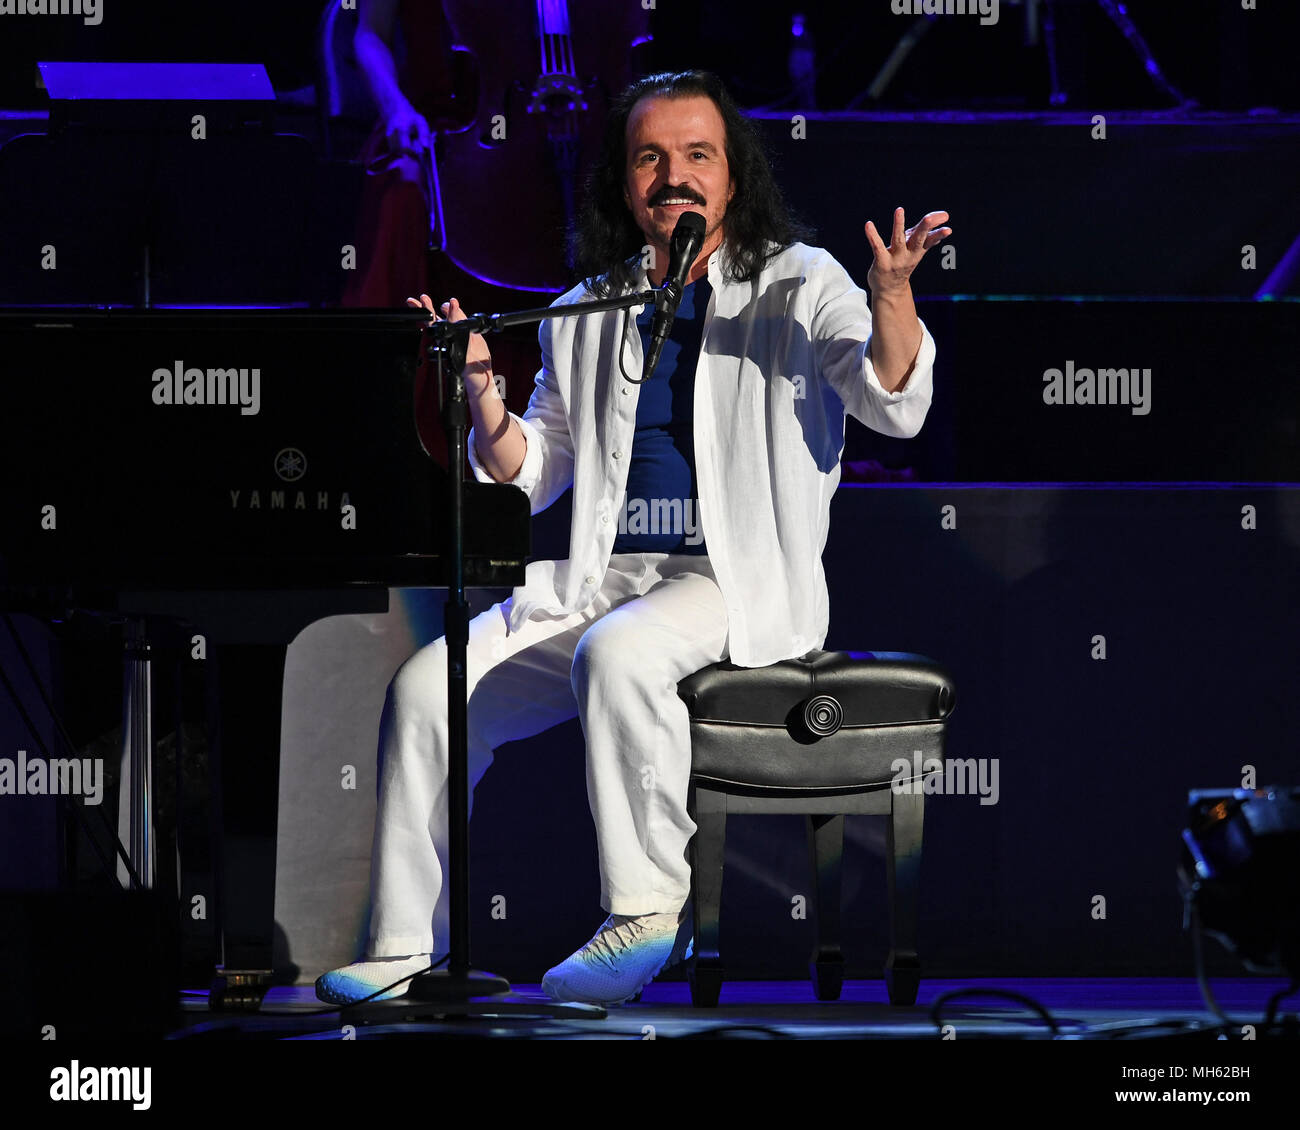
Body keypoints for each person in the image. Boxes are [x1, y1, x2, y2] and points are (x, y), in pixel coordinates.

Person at [316, 69, 951, 1007]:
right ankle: (409, 943)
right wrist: (482, 391)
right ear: (624, 182)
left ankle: (647, 910)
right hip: (603, 576)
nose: (675, 177)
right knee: (427, 688)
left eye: (699, 155)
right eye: (650, 158)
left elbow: (890, 403)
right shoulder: (591, 305)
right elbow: (530, 469)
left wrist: (892, 298)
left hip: (728, 580)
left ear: (733, 177)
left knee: (619, 655)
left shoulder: (798, 282)